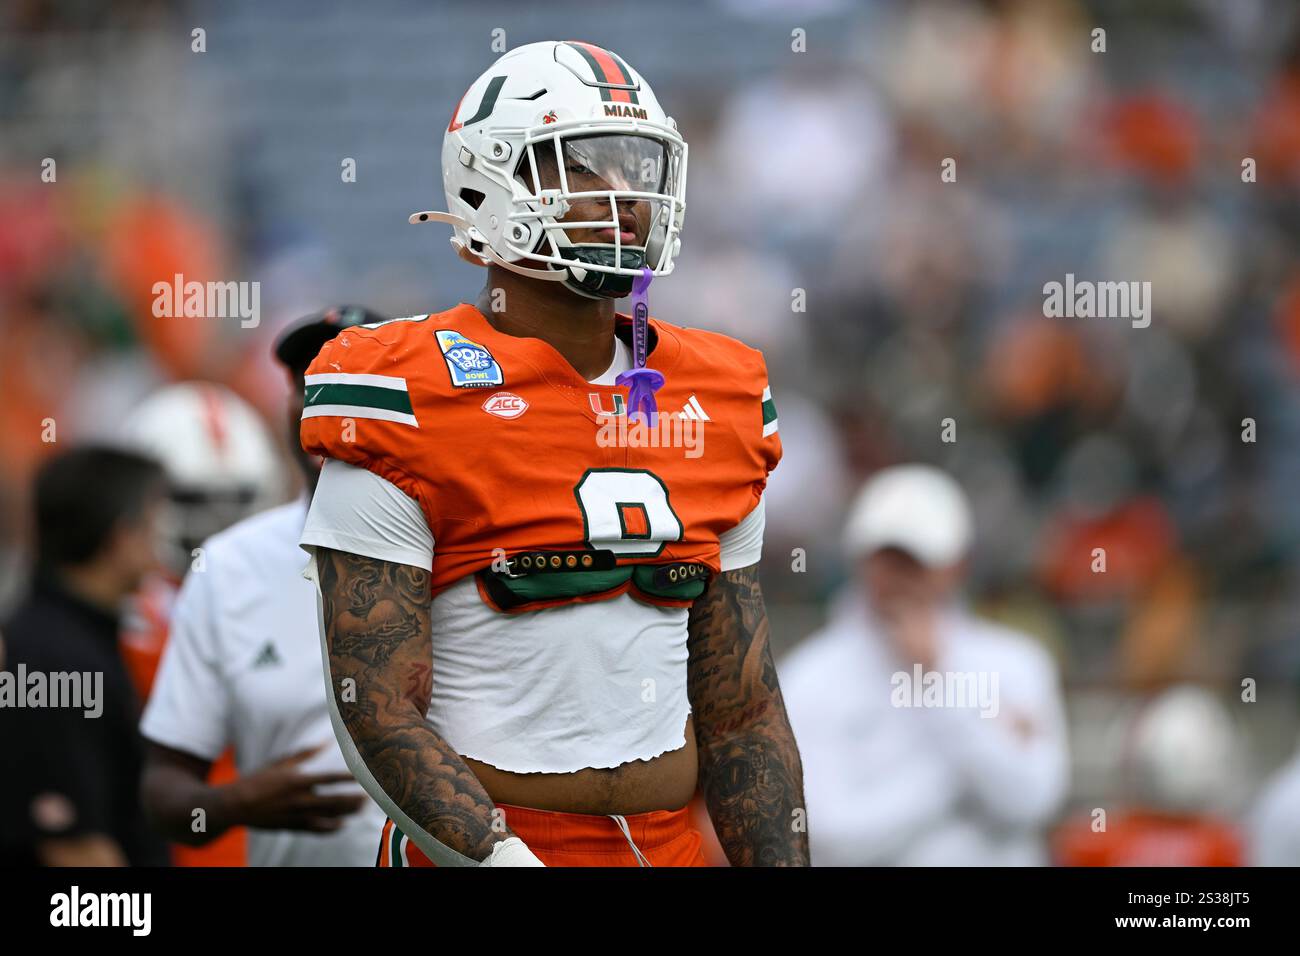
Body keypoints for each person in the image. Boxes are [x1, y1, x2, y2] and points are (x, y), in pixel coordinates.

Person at [298, 41, 808, 867]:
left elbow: (741, 707)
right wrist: (502, 860)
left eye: (636, 166)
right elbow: (375, 705)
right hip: (483, 845)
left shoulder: (718, 393)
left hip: (667, 845)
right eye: (585, 168)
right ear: (489, 184)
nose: (626, 196)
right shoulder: (402, 390)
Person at [138, 307, 388, 866]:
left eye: (351, 386)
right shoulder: (228, 568)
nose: (324, 404)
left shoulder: (470, 544)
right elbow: (165, 786)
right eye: (309, 386)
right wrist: (235, 802)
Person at [780, 464, 1069, 865]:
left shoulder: (1018, 663)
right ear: (861, 562)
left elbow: (1033, 800)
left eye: (918, 560)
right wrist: (962, 776)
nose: (902, 577)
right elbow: (827, 834)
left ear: (957, 565)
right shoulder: (807, 678)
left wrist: (937, 677)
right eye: (890, 559)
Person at [119, 380, 287, 865]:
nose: (214, 522)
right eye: (193, 500)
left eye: (233, 499)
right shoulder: (125, 614)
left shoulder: (293, 588)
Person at [0, 446, 171, 866]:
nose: (161, 538)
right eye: (152, 522)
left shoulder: (73, 638)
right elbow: (73, 846)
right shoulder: (53, 662)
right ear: (120, 536)